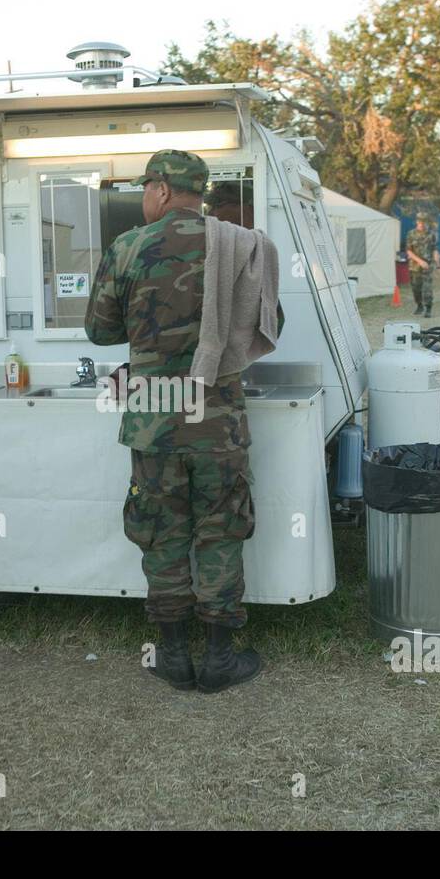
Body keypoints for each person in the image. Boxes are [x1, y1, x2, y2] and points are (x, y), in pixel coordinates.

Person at [85, 150, 280, 694]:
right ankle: (220, 659)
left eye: (147, 186)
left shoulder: (128, 247)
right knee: (220, 528)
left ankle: (172, 656)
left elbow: (99, 332)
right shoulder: (240, 244)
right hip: (217, 417)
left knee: (162, 531)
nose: (145, 196)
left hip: (153, 418)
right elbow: (266, 321)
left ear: (163, 190)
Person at [406, 217, 440, 317]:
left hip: (428, 266)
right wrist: (420, 261)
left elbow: (434, 249)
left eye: (424, 222)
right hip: (414, 266)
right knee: (416, 288)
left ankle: (428, 308)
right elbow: (409, 251)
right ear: (417, 222)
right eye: (420, 222)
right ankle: (419, 305)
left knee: (427, 288)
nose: (421, 224)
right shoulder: (411, 234)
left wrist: (438, 264)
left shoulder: (431, 234)